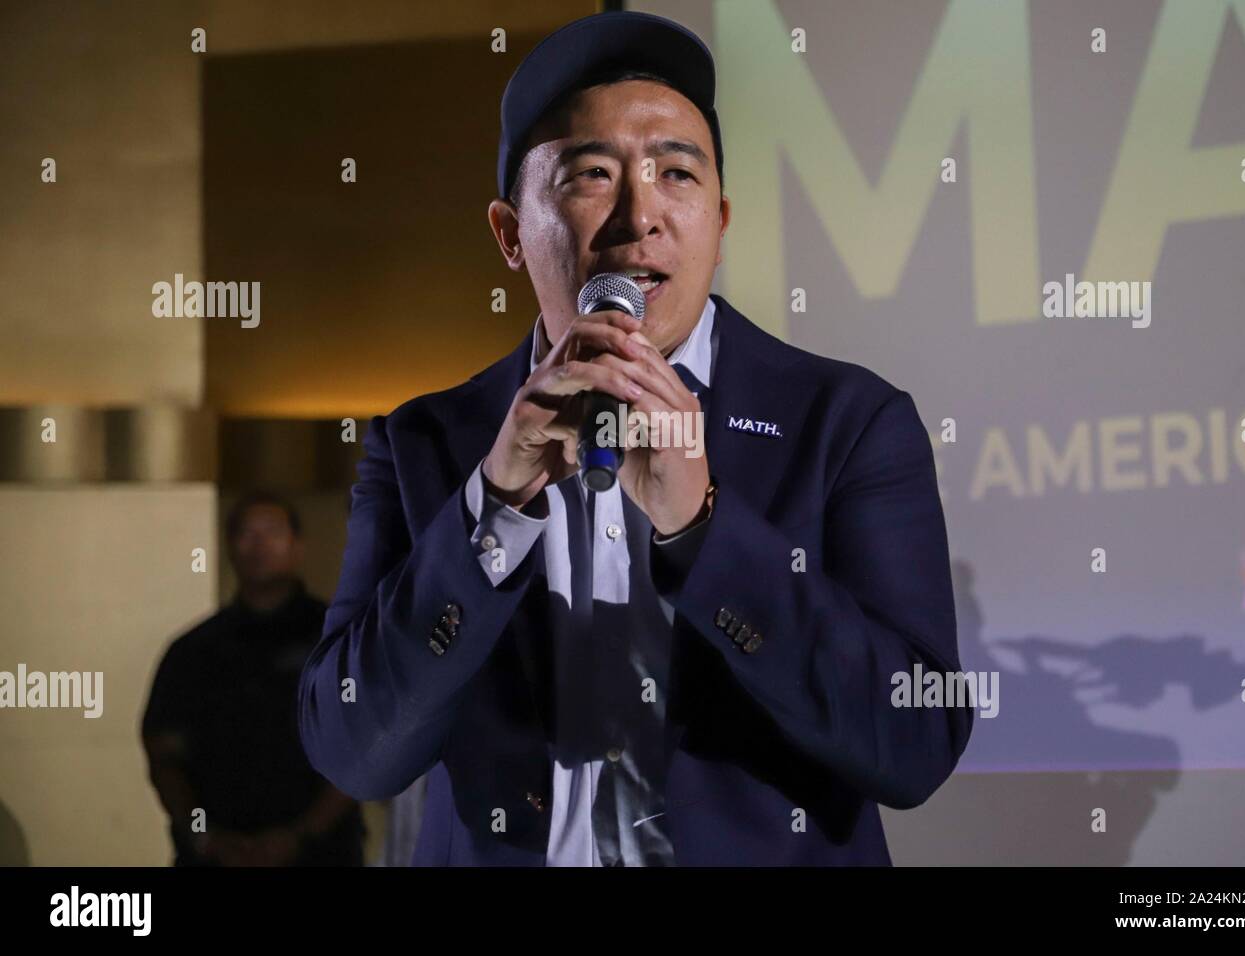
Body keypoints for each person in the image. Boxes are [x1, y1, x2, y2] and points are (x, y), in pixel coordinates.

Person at [299, 11, 972, 866]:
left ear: (720, 221)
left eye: (676, 174)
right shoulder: (427, 441)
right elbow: (353, 750)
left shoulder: (846, 423)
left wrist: (704, 528)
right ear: (510, 234)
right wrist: (494, 510)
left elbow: (915, 745)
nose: (639, 215)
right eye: (590, 174)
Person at [143, 492, 364, 866]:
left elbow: (364, 746)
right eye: (247, 533)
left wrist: (301, 836)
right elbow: (164, 754)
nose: (259, 545)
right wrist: (205, 837)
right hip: (215, 857)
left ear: (297, 546)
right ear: (230, 546)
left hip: (322, 855)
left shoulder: (338, 640)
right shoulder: (193, 650)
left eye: (273, 532)